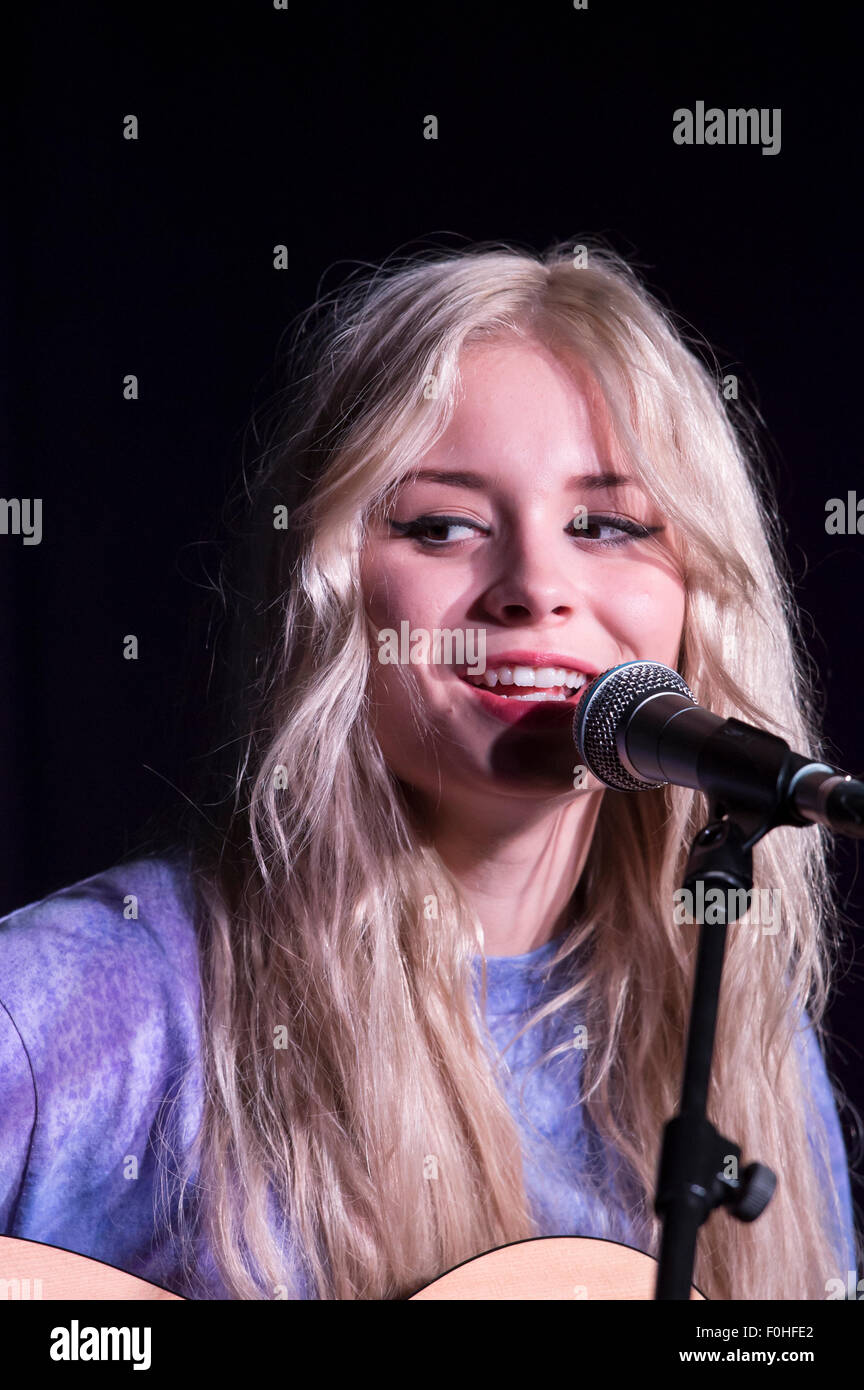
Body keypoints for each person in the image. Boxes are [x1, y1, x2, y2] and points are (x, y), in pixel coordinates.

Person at [0, 240, 858, 1300]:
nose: (534, 585)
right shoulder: (110, 991)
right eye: (443, 526)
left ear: (694, 600)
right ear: (331, 588)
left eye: (607, 525)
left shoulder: (728, 1033)